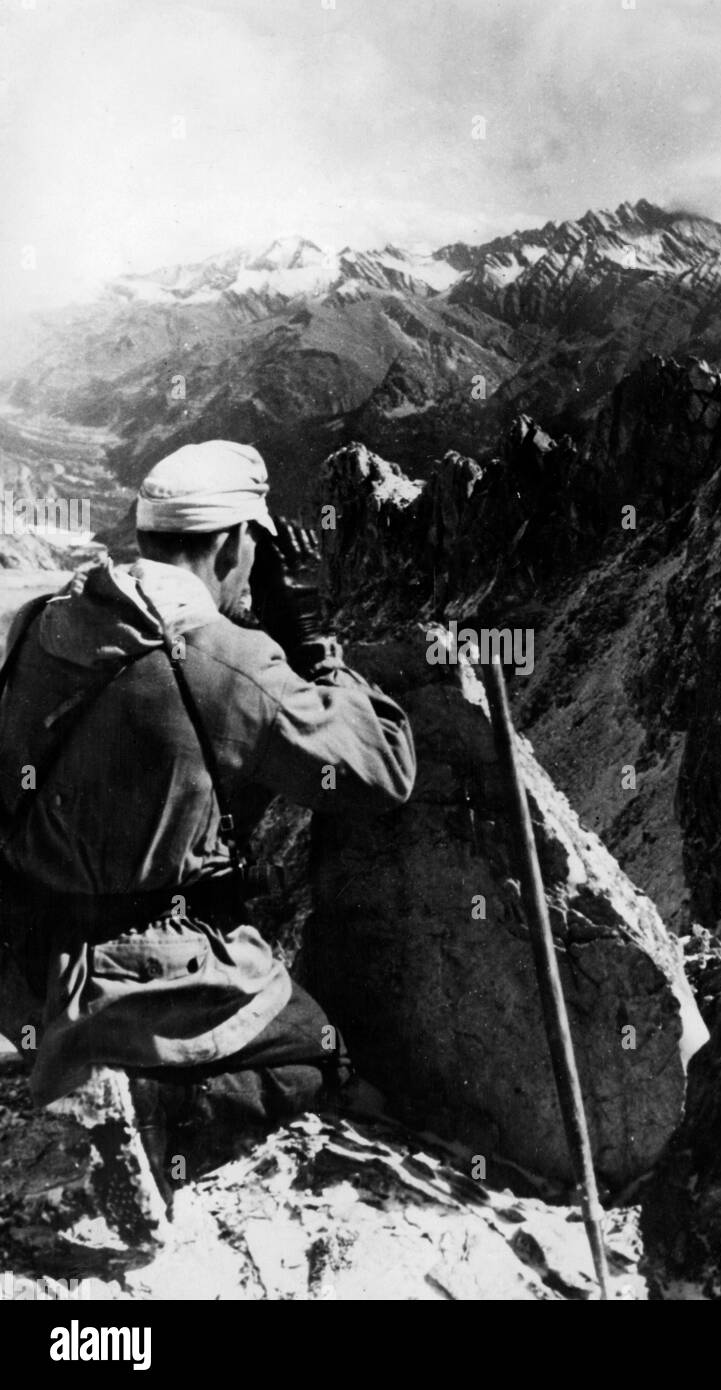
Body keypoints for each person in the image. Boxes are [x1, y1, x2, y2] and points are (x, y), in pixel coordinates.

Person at [0, 440, 416, 1199]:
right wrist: (312, 645)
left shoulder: (42, 617)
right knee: (316, 1052)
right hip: (129, 970)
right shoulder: (223, 658)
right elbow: (378, 770)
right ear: (232, 542)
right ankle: (136, 1114)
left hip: (21, 952)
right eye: (254, 547)